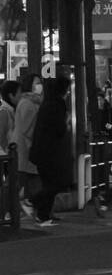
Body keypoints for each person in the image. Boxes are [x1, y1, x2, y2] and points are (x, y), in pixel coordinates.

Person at [29, 74, 73, 228]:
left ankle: (44, 215)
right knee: (55, 183)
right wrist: (66, 122)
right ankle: (33, 202)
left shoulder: (47, 103)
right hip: (50, 153)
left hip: (41, 151)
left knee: (50, 183)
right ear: (64, 90)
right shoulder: (57, 104)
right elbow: (59, 129)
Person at [13, 74, 42, 221]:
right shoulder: (27, 103)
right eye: (36, 83)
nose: (39, 86)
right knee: (24, 180)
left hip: (27, 150)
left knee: (27, 181)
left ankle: (28, 209)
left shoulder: (30, 102)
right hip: (25, 149)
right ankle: (17, 209)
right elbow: (26, 128)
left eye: (40, 82)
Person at [0, 80, 18, 229]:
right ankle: (6, 213)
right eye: (19, 94)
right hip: (6, 155)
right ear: (11, 95)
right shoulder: (5, 111)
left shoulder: (8, 110)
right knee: (7, 185)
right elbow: (2, 135)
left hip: (7, 155)